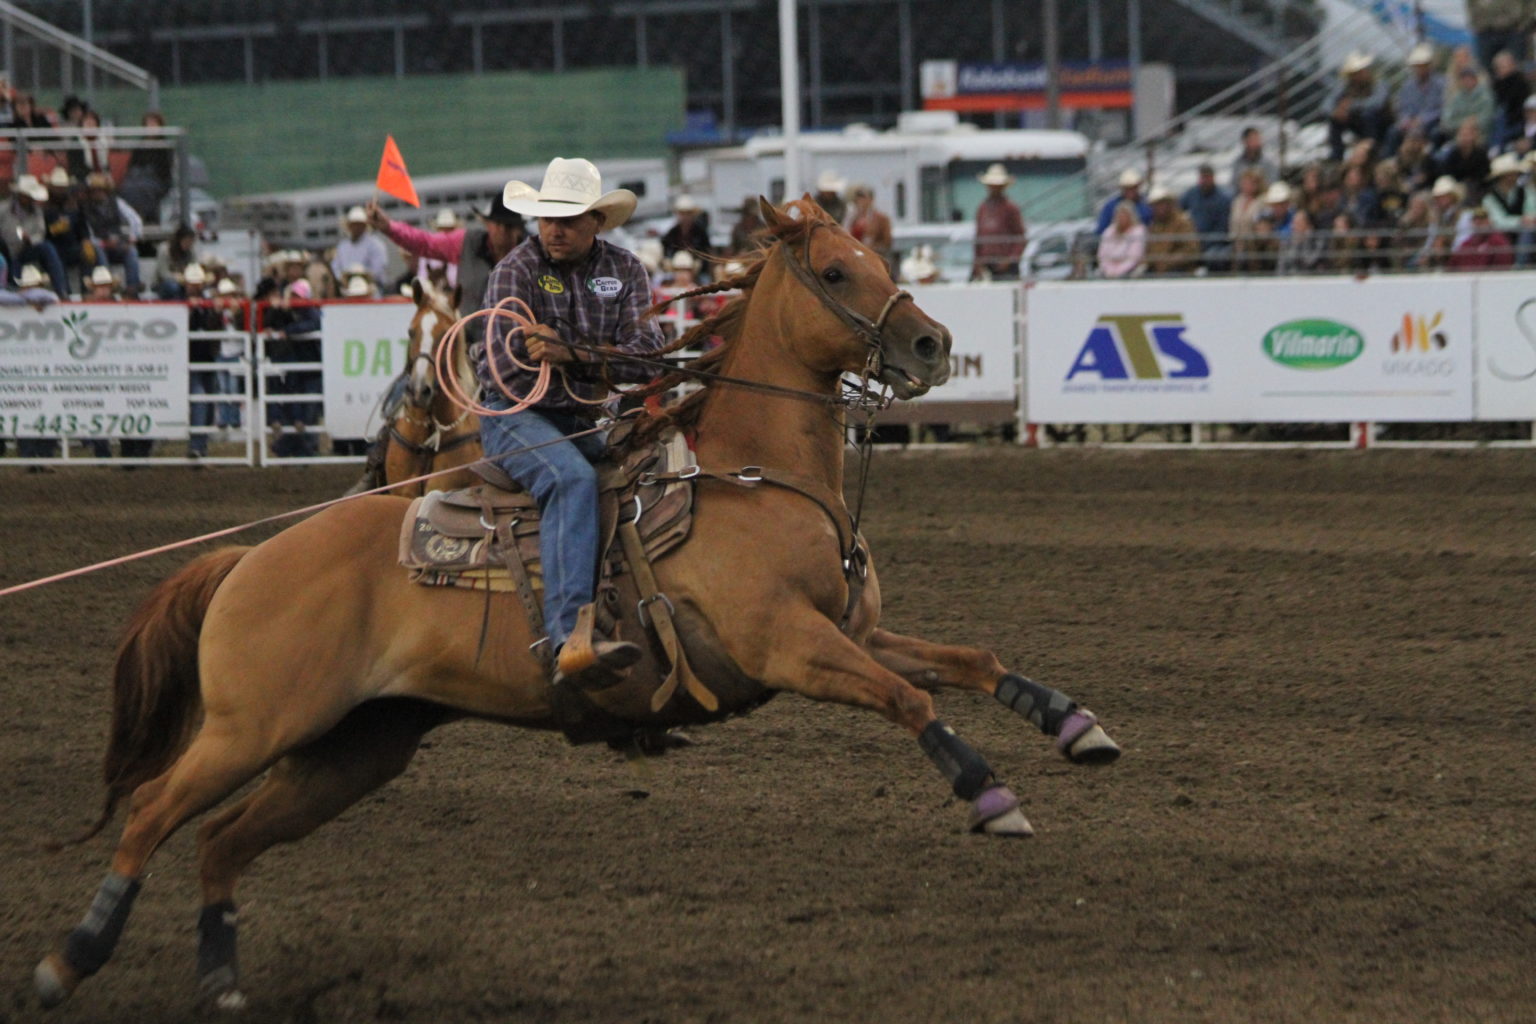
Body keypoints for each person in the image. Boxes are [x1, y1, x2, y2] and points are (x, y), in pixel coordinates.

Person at [483, 156, 667, 686]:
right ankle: (567, 638)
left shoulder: (626, 271)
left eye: (567, 218)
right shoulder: (515, 270)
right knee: (570, 479)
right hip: (515, 414)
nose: (554, 230)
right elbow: (503, 365)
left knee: (660, 475)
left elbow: (648, 357)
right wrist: (572, 365)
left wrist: (576, 354)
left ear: (596, 222)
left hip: (587, 417)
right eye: (547, 218)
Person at [366, 193, 526, 321]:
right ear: (487, 223)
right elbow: (425, 243)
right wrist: (389, 227)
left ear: (518, 230)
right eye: (498, 224)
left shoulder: (528, 255)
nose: (502, 231)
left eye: (509, 226)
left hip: (515, 338)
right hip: (469, 337)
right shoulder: (466, 242)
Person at [0, 174, 68, 295]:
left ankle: (61, 290)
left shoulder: (36, 211)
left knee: (47, 247)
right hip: (6, 251)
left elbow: (40, 232)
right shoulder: (3, 210)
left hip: (26, 249)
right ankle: (14, 292)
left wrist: (30, 239)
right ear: (20, 194)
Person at [81, 173, 142, 294]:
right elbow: (88, 234)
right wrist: (104, 243)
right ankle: (106, 283)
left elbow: (135, 219)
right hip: (99, 244)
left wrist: (132, 237)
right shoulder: (85, 208)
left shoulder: (117, 203)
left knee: (132, 251)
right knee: (98, 250)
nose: (97, 193)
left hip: (117, 242)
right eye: (94, 191)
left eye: (100, 190)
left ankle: (133, 287)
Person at [1327, 51, 1391, 161]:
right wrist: (1336, 111)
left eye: (1360, 72)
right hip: (1357, 121)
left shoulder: (1379, 84)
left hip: (1381, 122)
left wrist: (1349, 107)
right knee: (1335, 120)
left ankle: (1371, 151)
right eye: (1355, 73)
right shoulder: (1345, 86)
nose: (1358, 76)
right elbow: (1326, 104)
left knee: (1368, 115)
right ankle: (1336, 154)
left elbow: (1377, 103)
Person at [971, 163, 1026, 280]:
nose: (994, 188)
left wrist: (1010, 259)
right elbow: (978, 237)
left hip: (1006, 264)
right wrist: (978, 262)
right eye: (992, 185)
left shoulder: (1011, 208)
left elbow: (1020, 237)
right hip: (987, 262)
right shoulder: (983, 208)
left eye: (998, 185)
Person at [1392, 43, 1445, 149]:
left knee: (1436, 133)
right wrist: (1407, 120)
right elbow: (1402, 108)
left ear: (1429, 65)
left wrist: (1422, 119)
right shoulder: (1407, 86)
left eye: (1423, 65)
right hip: (1410, 123)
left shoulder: (1441, 83)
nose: (1420, 69)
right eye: (1418, 66)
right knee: (1393, 132)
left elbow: (1443, 107)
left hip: (1432, 122)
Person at [1180, 163, 1231, 270]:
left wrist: (1204, 242)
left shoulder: (1222, 199)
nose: (1205, 180)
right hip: (1194, 240)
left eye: (1207, 177)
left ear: (1213, 178)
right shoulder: (1192, 193)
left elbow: (1222, 228)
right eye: (1202, 177)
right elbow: (1178, 208)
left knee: (1213, 256)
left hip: (1215, 242)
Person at [1143, 185, 1199, 275]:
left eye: (1162, 204)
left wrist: (1169, 261)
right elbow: (1148, 250)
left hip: (1179, 270)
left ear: (1170, 204)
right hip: (1157, 270)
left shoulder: (1182, 223)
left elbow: (1191, 250)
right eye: (1156, 205)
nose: (1159, 208)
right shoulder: (1153, 226)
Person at [330, 205, 388, 285]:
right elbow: (336, 266)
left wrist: (364, 277)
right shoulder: (342, 246)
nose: (356, 227)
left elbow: (379, 268)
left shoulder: (375, 244)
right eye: (354, 224)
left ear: (364, 225)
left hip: (372, 287)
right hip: (347, 287)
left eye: (359, 224)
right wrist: (342, 279)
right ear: (349, 226)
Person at [1449, 202, 1515, 268]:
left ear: (1489, 221)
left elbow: (1504, 263)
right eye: (1475, 221)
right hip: (1466, 276)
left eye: (1481, 221)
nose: (1478, 225)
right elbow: (1454, 262)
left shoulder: (1498, 241)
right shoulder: (1468, 242)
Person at [845, 184, 893, 272]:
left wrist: (871, 248)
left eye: (863, 198)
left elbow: (887, 243)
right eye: (858, 198)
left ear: (871, 200)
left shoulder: (881, 219)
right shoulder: (851, 218)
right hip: (853, 259)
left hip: (873, 260)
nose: (861, 201)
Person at [660, 193, 713, 268]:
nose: (685, 217)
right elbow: (665, 250)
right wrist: (668, 261)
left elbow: (707, 252)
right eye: (682, 213)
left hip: (697, 270)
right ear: (678, 214)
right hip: (676, 269)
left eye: (688, 213)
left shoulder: (701, 232)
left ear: (692, 214)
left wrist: (699, 262)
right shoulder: (672, 233)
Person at [1096, 201, 1146, 278]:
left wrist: (1119, 271)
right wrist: (1109, 270)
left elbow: (1134, 256)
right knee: (1096, 274)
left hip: (1129, 269)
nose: (1122, 218)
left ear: (1131, 216)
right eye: (1120, 215)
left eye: (1125, 215)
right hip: (1108, 270)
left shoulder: (1138, 231)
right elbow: (1102, 255)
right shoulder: (1109, 231)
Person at [1096, 168, 1150, 234]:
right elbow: (1101, 229)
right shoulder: (1111, 206)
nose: (1130, 191)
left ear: (1138, 187)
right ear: (1122, 188)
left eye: (1133, 187)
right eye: (1127, 188)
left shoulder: (1146, 206)